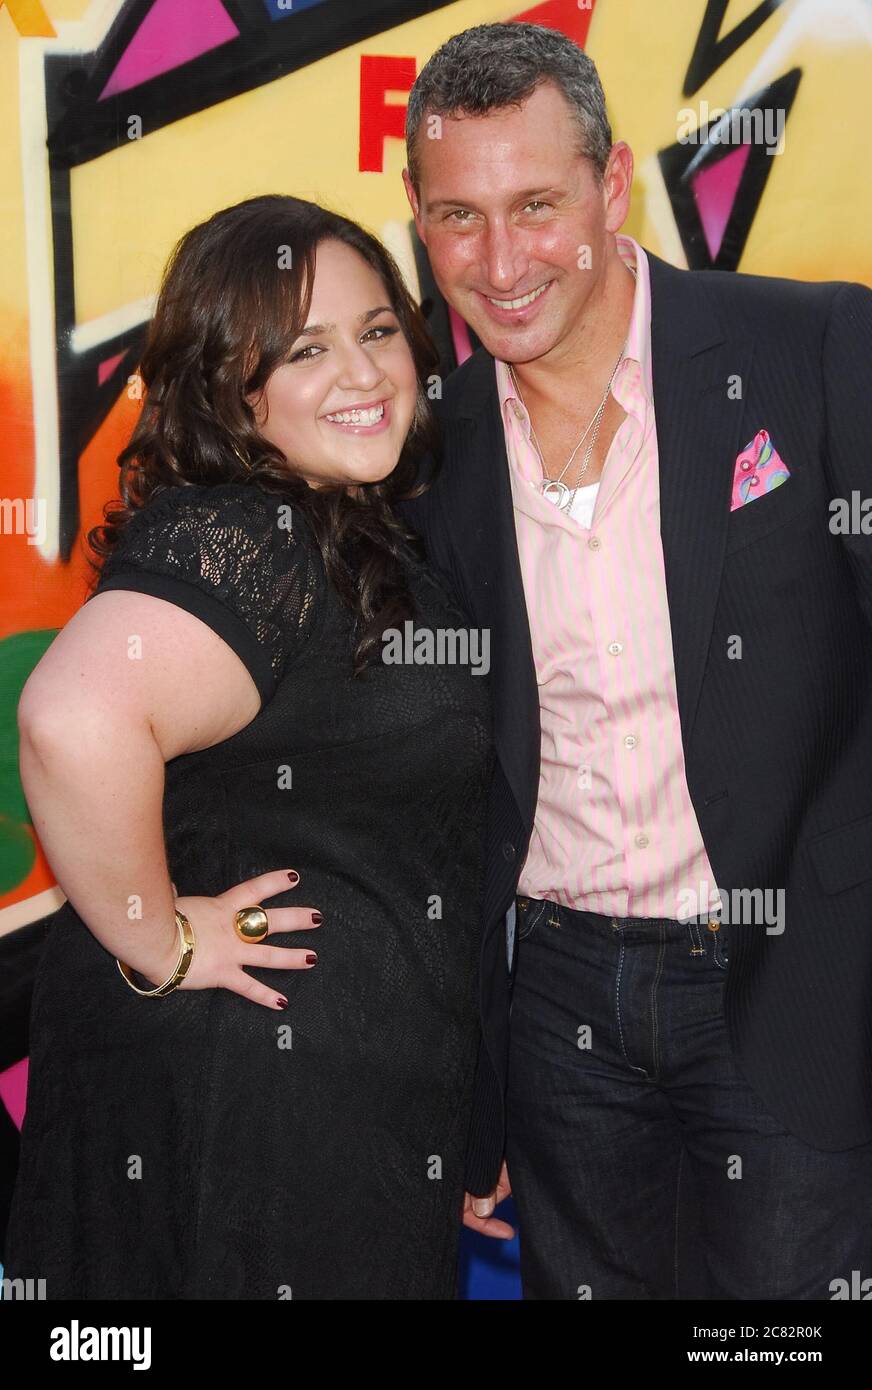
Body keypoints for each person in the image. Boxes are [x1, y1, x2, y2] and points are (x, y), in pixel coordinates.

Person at [397, 21, 872, 1298]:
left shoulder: (812, 350)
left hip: (790, 978)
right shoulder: (421, 452)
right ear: (416, 216)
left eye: (537, 205)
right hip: (557, 1008)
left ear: (610, 186)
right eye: (458, 217)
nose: (500, 264)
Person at [3, 194, 495, 1300]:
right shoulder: (247, 536)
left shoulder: (349, 527)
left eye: (375, 331)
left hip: (324, 1122)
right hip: (241, 1134)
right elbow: (71, 720)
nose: (363, 374)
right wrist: (163, 939)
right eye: (305, 349)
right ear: (233, 388)